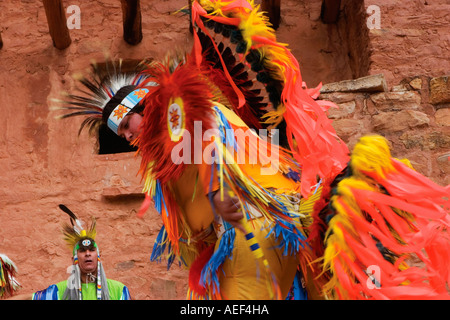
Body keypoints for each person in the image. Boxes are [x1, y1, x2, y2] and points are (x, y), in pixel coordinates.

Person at [58, 0, 450, 300]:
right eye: (121, 133)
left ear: (145, 106)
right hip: (254, 235)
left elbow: (206, 137)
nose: (127, 136)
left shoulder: (177, 110)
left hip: (253, 228)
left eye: (127, 124)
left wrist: (215, 194)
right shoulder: (163, 154)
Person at [9, 205, 131, 300]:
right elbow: (29, 297)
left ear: (99, 256)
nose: (88, 253)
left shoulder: (118, 290)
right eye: (82, 251)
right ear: (74, 260)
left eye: (92, 250)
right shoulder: (60, 291)